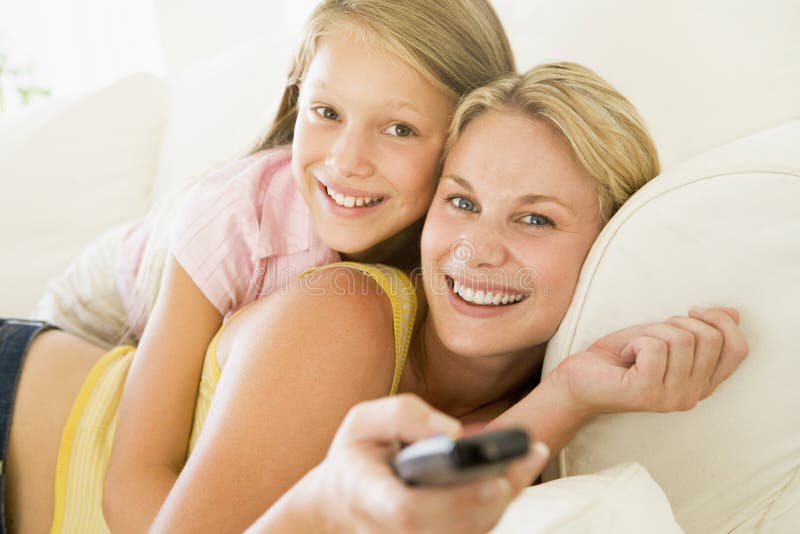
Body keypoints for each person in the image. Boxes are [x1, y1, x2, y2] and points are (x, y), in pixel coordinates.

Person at [2, 63, 747, 533]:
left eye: (533, 218)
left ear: (609, 240)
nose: (477, 248)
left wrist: (575, 392)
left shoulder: (515, 406)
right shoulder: (348, 314)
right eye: (461, 202)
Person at [4, 1, 516, 533]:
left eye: (400, 129)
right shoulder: (236, 222)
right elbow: (135, 473)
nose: (347, 160)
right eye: (328, 112)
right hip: (97, 310)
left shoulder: (467, 252)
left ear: (468, 137)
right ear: (299, 99)